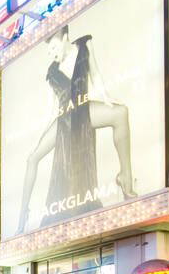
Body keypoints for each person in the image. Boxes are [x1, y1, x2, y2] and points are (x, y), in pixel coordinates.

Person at [16, 25, 135, 236]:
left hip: (85, 112)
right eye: (49, 50)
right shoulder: (52, 72)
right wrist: (43, 132)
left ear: (65, 38)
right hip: (64, 121)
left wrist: (107, 98)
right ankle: (22, 215)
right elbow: (52, 109)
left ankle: (125, 176)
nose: (52, 54)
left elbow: (96, 75)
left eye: (53, 47)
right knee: (32, 158)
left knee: (120, 113)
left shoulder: (85, 46)